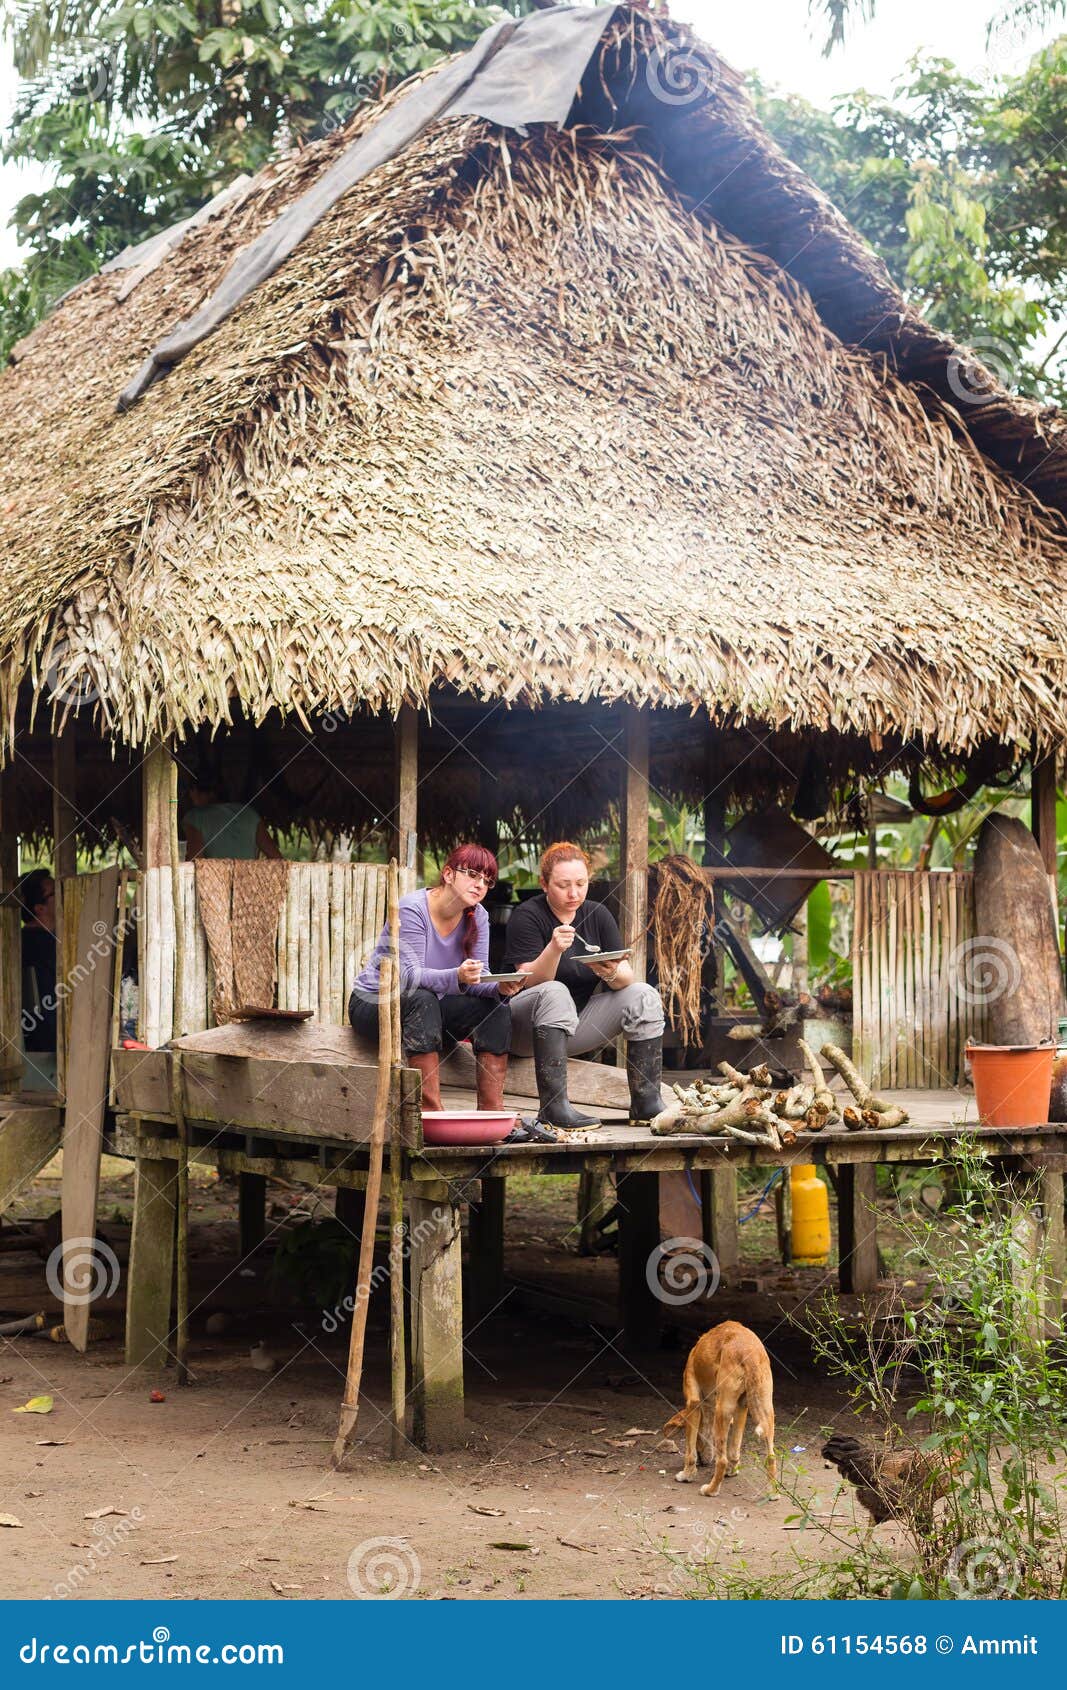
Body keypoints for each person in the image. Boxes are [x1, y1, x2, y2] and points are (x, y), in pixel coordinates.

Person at [504, 841, 665, 1129]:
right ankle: (553, 1109)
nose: (574, 893)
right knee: (554, 990)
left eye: (581, 883)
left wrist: (609, 972)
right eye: (563, 885)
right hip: (521, 1030)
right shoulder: (526, 916)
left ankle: (646, 1104)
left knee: (643, 994)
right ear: (544, 884)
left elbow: (626, 977)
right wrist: (553, 949)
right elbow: (528, 982)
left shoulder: (597, 914)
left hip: (571, 1026)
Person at [349, 843, 522, 1111]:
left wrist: (498, 986)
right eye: (472, 875)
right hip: (376, 1004)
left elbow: (478, 980)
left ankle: (491, 1112)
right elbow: (408, 977)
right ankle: (429, 1113)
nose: (480, 885)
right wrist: (458, 976)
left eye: (487, 881)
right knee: (422, 997)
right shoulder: (412, 908)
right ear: (448, 873)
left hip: (430, 1012)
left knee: (496, 1008)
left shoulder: (480, 916)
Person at [17, 867, 58, 1092]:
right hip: (49, 1038)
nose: (62, 896)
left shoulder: (19, 940)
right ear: (39, 908)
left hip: (31, 1037)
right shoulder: (49, 946)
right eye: (55, 892)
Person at [182, 771, 281, 861]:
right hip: (248, 879)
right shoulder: (249, 813)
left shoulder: (194, 817)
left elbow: (195, 860)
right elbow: (278, 859)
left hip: (215, 880)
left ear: (194, 790)